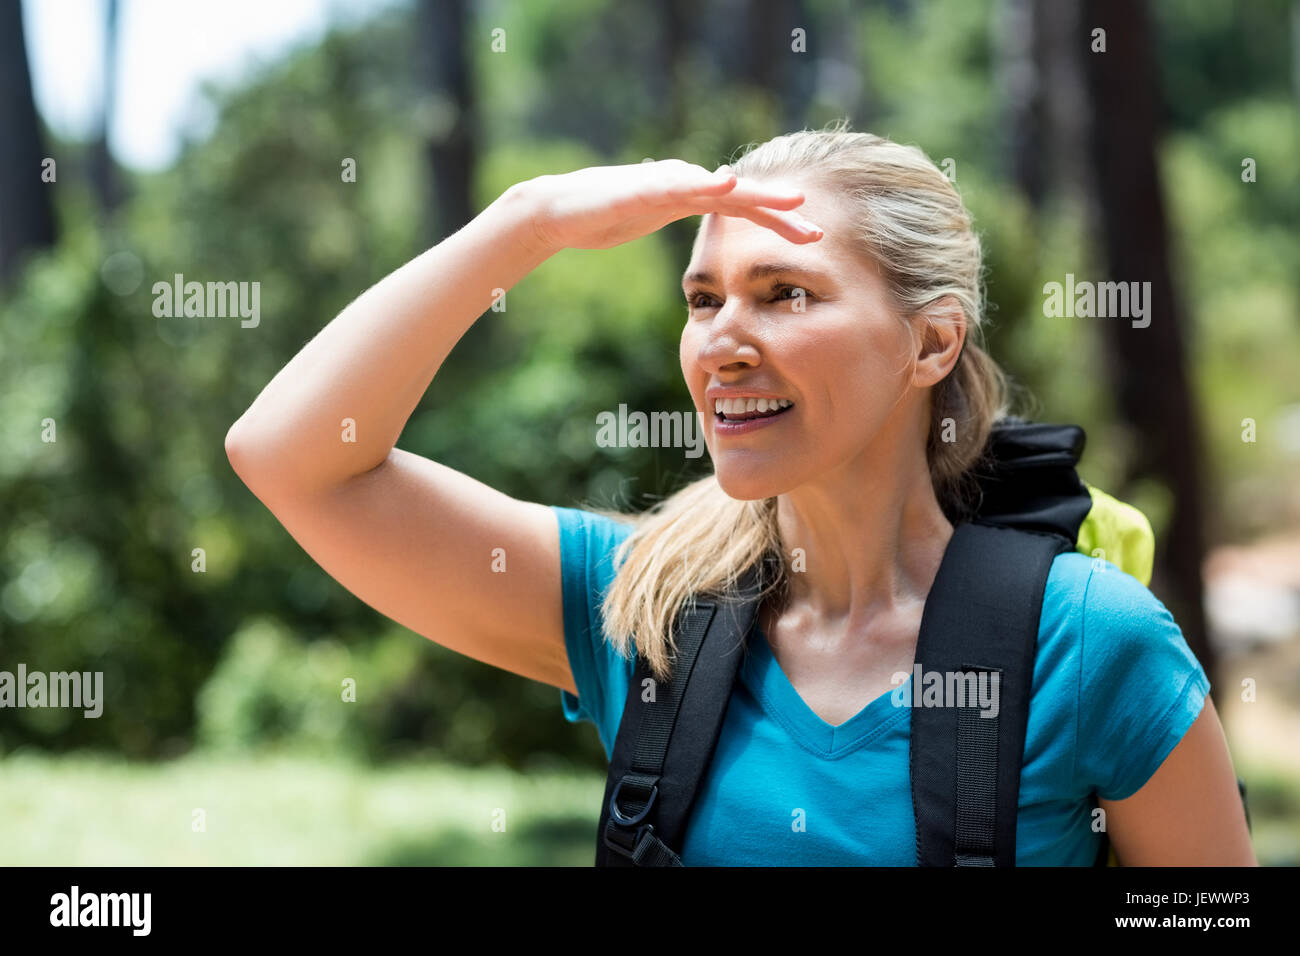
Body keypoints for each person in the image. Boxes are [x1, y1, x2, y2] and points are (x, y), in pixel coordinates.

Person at [225, 120, 1256, 865]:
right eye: (703, 298)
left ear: (930, 341)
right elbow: (295, 456)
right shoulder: (647, 605)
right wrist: (525, 221)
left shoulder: (1090, 644)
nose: (720, 341)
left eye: (784, 294)